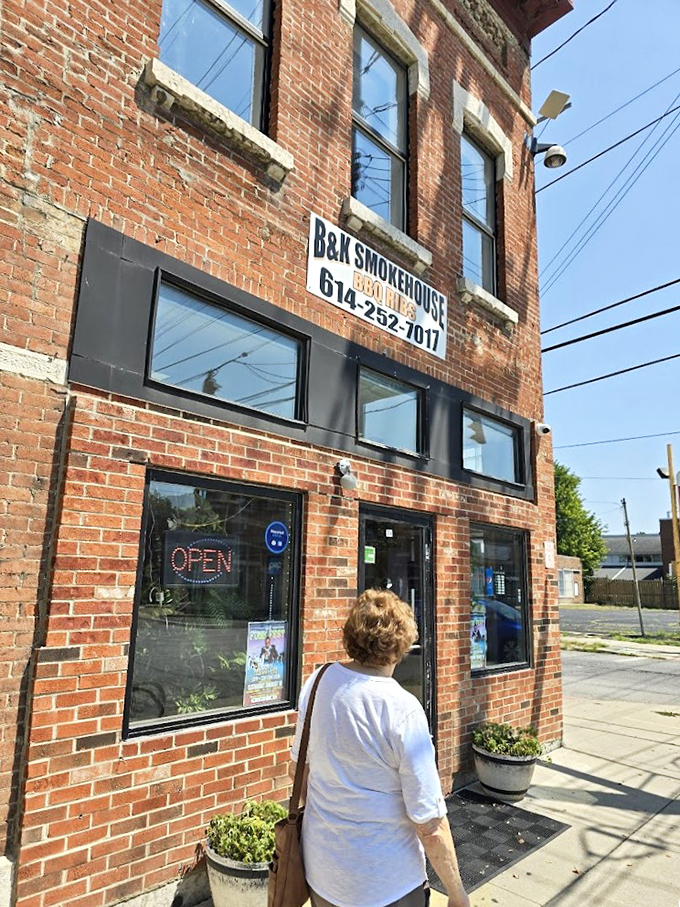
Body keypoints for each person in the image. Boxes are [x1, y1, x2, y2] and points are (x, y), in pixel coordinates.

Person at [291, 588, 469, 907]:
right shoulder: (403, 709)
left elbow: (301, 772)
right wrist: (457, 894)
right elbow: (429, 823)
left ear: (352, 636)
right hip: (387, 885)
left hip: (322, 873)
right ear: (401, 646)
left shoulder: (317, 682)